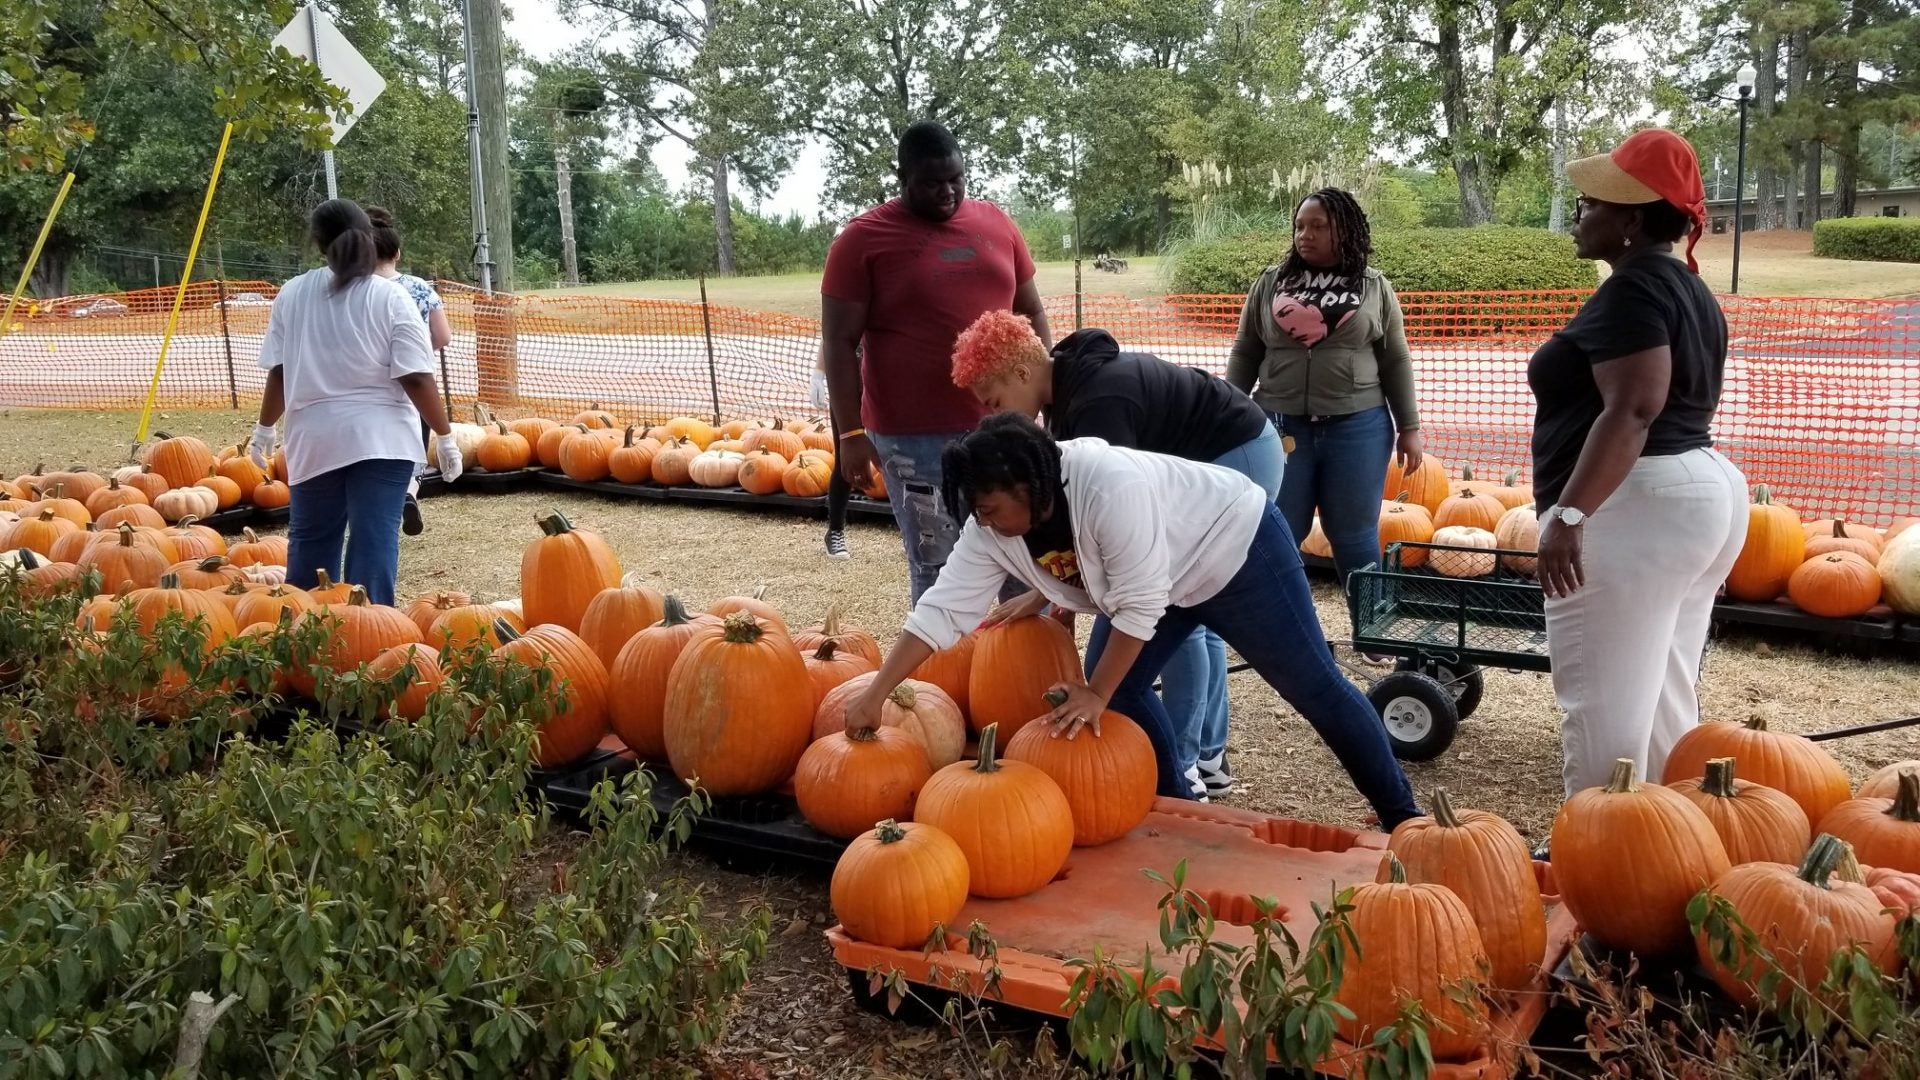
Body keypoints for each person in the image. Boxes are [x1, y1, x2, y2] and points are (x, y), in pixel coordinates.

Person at [841, 413, 1421, 831]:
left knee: (1314, 686)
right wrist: (878, 691)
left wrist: (1095, 691)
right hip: (1160, 582)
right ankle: (1178, 804)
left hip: (1236, 551)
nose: (983, 523)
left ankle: (1403, 817)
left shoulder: (1106, 484)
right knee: (1122, 693)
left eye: (989, 509)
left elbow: (1140, 606)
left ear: (1029, 487)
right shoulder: (992, 525)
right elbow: (943, 608)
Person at [950, 311, 1282, 799]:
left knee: (1178, 603)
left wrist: (1050, 597)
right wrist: (1046, 592)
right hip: (1212, 459)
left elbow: (1108, 534)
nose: (993, 417)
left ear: (1021, 373)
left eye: (994, 402)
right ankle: (1207, 753)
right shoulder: (1063, 396)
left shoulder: (1096, 405)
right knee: (1189, 616)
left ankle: (1187, 760)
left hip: (1238, 453)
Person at [1531, 129, 1746, 799]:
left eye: (1589, 204)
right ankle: (1674, 840)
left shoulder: (1632, 294)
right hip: (1696, 491)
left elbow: (1634, 409)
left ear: (1628, 220)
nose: (1579, 216)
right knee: (1661, 698)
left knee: (1605, 710)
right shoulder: (1685, 287)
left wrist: (1569, 515)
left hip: (1637, 506)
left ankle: (1597, 859)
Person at [820, 119, 1053, 602]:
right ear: (902, 177)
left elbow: (1030, 311)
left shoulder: (997, 223)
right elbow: (840, 343)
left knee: (1020, 557)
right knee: (939, 565)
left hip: (1003, 425)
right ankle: (945, 672)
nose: (948, 192)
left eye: (956, 180)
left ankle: (1020, 668)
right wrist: (850, 436)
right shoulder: (862, 241)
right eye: (932, 183)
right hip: (912, 437)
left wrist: (1046, 394)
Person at [249, 199, 461, 607]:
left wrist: (264, 429)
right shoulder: (391, 297)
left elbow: (280, 371)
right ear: (369, 237)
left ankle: (306, 636)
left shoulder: (292, 294)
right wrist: (445, 435)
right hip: (383, 441)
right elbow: (415, 376)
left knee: (311, 540)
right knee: (373, 537)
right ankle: (371, 634)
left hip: (314, 438)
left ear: (319, 244)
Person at [1226, 188, 1424, 594]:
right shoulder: (1270, 284)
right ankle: (1279, 635)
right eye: (1300, 226)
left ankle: (1373, 637)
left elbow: (1395, 359)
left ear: (1345, 231)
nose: (1305, 234)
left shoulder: (1373, 286)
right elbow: (1247, 350)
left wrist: (1410, 426)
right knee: (1277, 531)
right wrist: (1225, 409)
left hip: (1359, 428)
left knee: (1353, 536)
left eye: (1319, 226)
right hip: (1278, 428)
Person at [367, 206, 452, 537]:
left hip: (370, 384)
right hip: (416, 381)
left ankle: (379, 502)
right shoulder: (418, 287)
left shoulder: (356, 290)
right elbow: (442, 335)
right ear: (397, 253)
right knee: (415, 442)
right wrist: (416, 351)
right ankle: (409, 493)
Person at [810, 343, 853, 559]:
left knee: (893, 457)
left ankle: (908, 528)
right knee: (845, 456)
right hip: (848, 383)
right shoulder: (849, 309)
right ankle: (835, 530)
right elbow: (830, 334)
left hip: (883, 379)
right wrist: (818, 373)